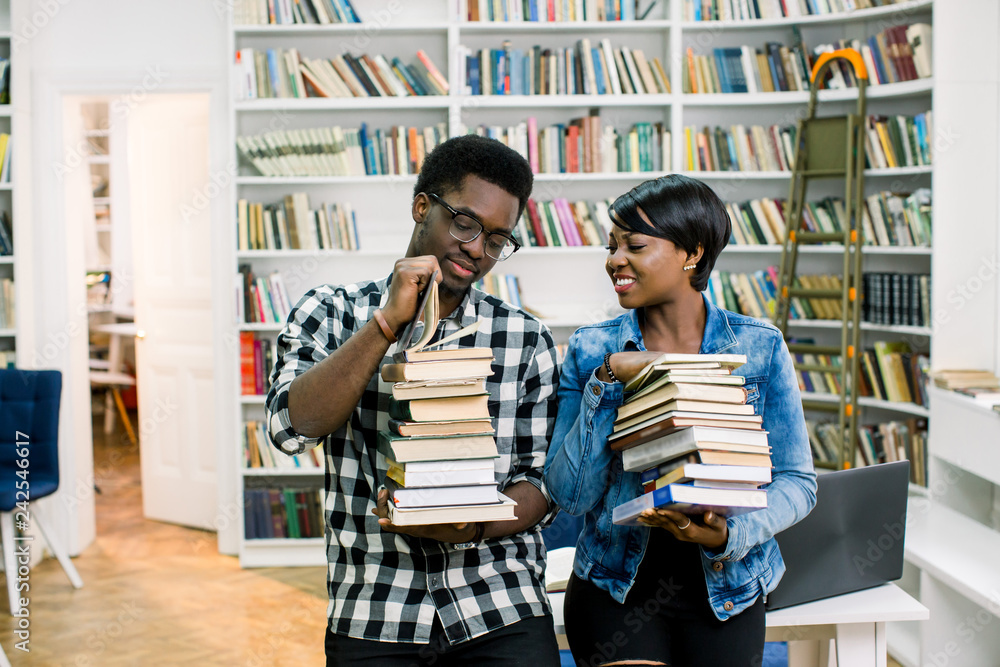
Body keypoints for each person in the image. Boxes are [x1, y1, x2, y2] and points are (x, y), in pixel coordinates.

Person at [265, 134, 562, 666]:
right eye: (466, 223)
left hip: (499, 601)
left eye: (497, 239)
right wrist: (384, 325)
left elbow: (539, 484)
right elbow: (292, 428)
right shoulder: (329, 313)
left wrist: (468, 526)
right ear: (422, 205)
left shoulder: (524, 338)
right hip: (377, 605)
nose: (477, 248)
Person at [543, 174, 817, 667]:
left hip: (728, 588)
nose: (614, 260)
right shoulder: (591, 349)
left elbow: (798, 482)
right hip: (614, 588)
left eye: (634, 245)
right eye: (611, 246)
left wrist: (729, 534)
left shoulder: (760, 347)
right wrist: (608, 381)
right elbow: (571, 496)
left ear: (691, 253)